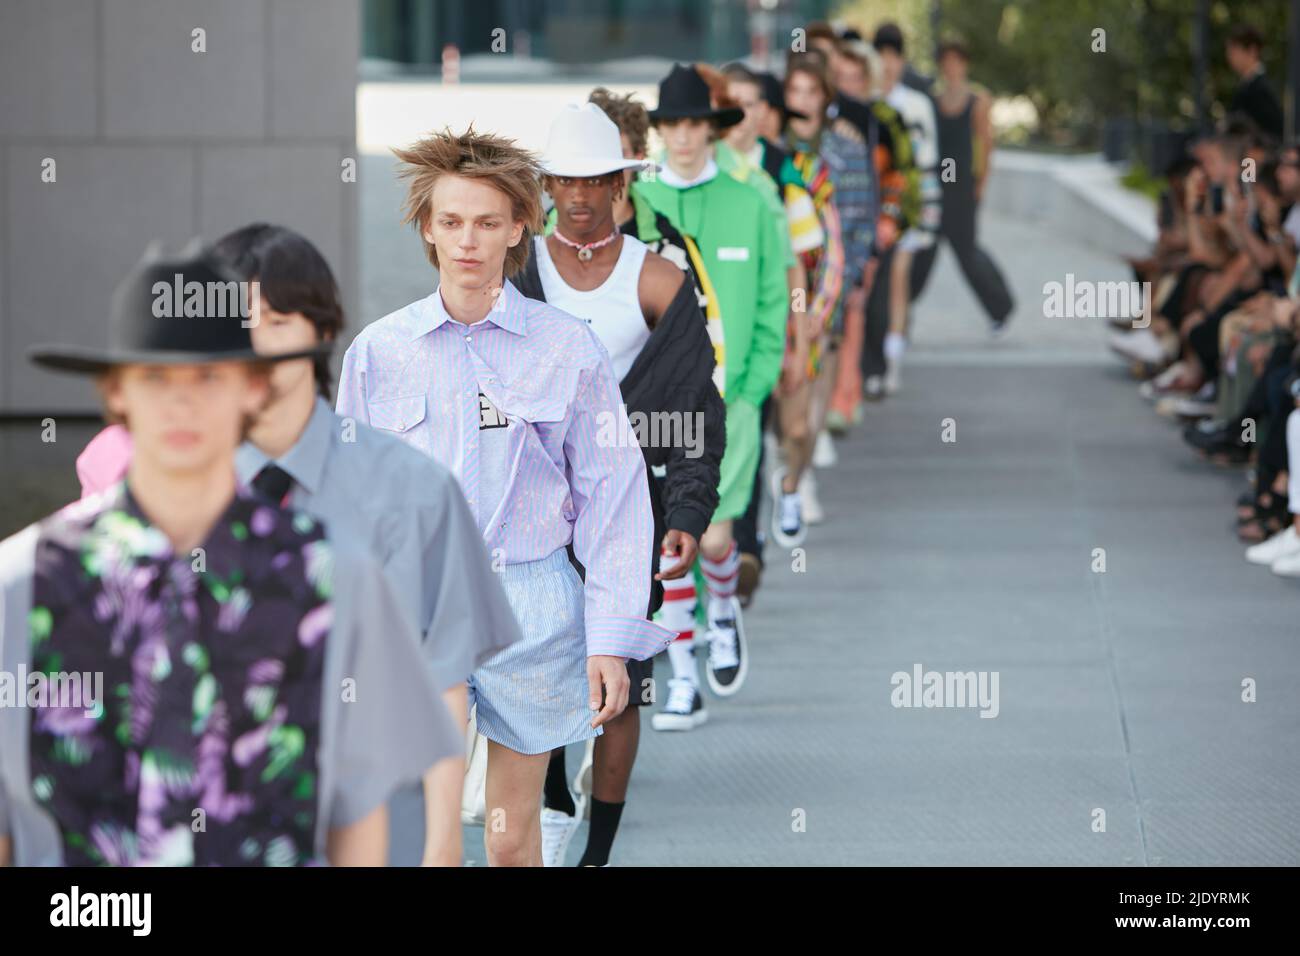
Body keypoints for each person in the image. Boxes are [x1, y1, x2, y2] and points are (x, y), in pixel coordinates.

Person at [63, 224, 523, 865]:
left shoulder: (414, 490)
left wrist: (443, 844)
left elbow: (446, 680)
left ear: (322, 330)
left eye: (278, 322)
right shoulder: (157, 492)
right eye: (238, 324)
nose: (257, 346)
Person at [336, 127, 673, 867]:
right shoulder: (379, 353)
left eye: (487, 223)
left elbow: (614, 496)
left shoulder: (566, 346)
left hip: (534, 608)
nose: (468, 241)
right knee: (420, 840)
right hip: (418, 605)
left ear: (520, 227)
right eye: (451, 221)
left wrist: (610, 636)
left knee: (511, 838)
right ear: (427, 228)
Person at [511, 102, 725, 865]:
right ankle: (552, 800)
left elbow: (696, 406)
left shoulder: (658, 278)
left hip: (628, 510)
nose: (579, 194)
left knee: (621, 676)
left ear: (619, 184)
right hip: (532, 512)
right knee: (538, 667)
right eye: (565, 180)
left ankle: (598, 854)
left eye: (594, 179)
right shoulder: (517, 274)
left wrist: (688, 513)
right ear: (546, 186)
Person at [635, 64, 788, 719]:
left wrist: (752, 390)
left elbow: (774, 302)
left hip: (733, 403)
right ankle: (682, 681)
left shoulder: (751, 204)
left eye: (694, 124)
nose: (683, 136)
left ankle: (723, 605)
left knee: (718, 541)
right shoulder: (638, 202)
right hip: (657, 407)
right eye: (672, 124)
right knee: (671, 541)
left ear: (712, 128)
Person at [907, 39, 1015, 334]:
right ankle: (899, 310)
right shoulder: (931, 101)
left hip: (963, 188)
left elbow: (986, 144)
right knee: (924, 251)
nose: (951, 67)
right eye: (946, 61)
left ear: (965, 64)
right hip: (935, 186)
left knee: (967, 253)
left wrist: (981, 184)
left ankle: (1001, 308)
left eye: (956, 61)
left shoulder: (978, 100)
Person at [872, 21, 944, 396]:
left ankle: (892, 361)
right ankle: (874, 362)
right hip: (871, 207)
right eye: (881, 57)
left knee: (898, 280)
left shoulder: (917, 105)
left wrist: (927, 217)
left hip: (908, 208)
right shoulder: (867, 102)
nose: (887, 65)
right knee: (874, 286)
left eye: (893, 57)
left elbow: (928, 162)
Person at [1226, 24, 1283, 144]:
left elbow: (1272, 135)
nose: (1230, 57)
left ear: (1252, 51)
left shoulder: (1261, 90)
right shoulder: (1248, 85)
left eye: (1235, 51)